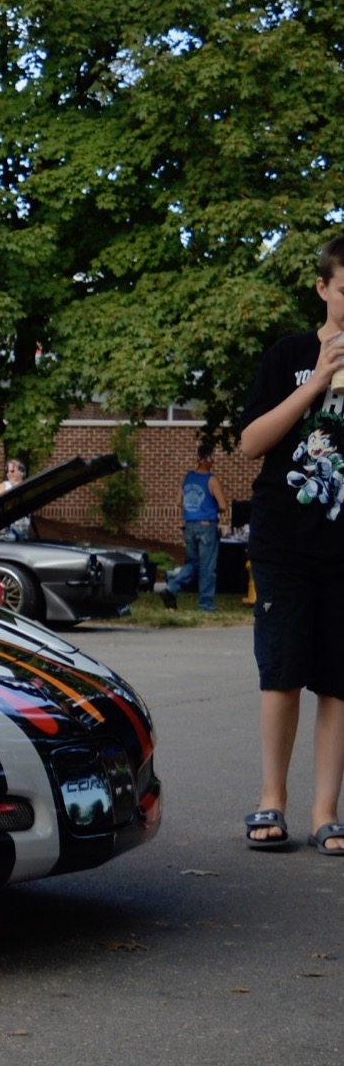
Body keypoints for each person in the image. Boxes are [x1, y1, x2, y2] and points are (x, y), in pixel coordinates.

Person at [241, 235, 344, 855]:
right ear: (324, 287)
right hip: (284, 543)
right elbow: (253, 442)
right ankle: (270, 800)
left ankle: (326, 813)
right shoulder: (289, 355)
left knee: (338, 682)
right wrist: (319, 380)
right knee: (282, 673)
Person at [159, 452, 224, 611]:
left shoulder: (187, 478)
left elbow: (179, 502)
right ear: (204, 460)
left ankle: (171, 587)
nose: (213, 461)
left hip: (189, 525)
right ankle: (206, 604)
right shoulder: (211, 479)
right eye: (211, 458)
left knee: (192, 564)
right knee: (207, 566)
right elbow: (223, 505)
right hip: (206, 526)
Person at [0, 456, 33, 540]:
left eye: (12, 471)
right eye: (7, 471)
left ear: (22, 472)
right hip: (8, 529)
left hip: (24, 528)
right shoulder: (4, 485)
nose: (9, 473)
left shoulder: (27, 487)